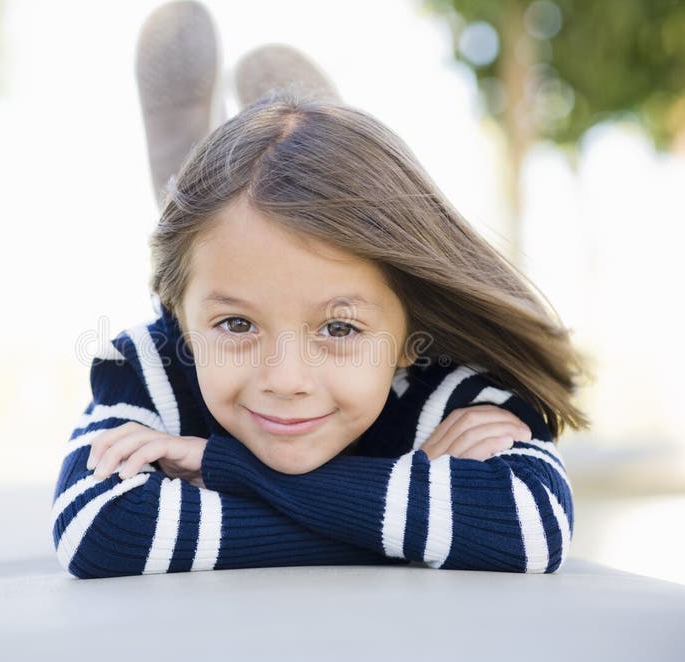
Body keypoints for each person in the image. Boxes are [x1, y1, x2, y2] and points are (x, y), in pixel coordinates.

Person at [50, 2, 592, 579]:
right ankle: (213, 168)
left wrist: (224, 465)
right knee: (210, 235)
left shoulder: (440, 381)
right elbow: (99, 528)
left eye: (339, 328)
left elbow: (530, 524)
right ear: (181, 323)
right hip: (204, 273)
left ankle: (311, 161)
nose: (286, 381)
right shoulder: (156, 361)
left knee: (243, 241)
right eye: (236, 324)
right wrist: (399, 507)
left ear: (410, 333)